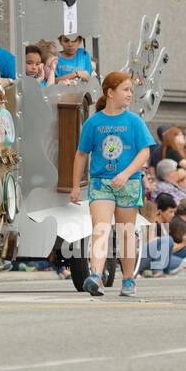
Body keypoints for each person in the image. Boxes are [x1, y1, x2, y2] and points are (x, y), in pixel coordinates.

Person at [70, 71, 155, 297]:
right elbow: (81, 154)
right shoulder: (94, 123)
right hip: (100, 183)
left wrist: (126, 174)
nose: (130, 94)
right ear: (110, 93)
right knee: (100, 229)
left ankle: (128, 279)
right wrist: (75, 185)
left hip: (128, 183)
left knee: (126, 232)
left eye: (130, 90)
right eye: (125, 90)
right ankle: (96, 275)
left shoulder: (134, 121)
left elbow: (144, 152)